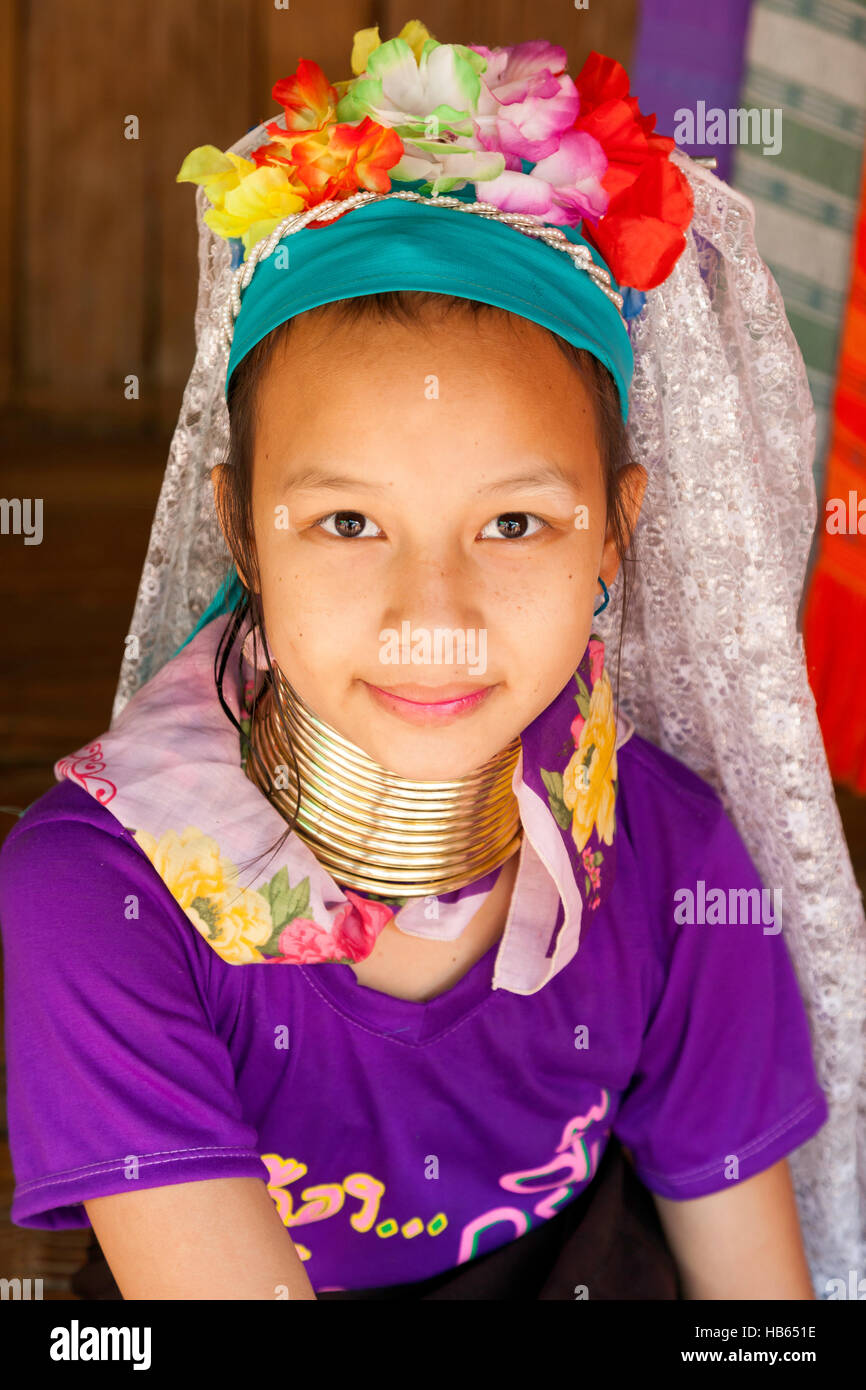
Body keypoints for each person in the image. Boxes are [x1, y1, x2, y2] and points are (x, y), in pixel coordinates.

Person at [0, 21, 860, 1301]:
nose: (432, 612)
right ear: (240, 525)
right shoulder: (99, 898)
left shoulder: (673, 864)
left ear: (616, 528)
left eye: (513, 523)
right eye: (348, 523)